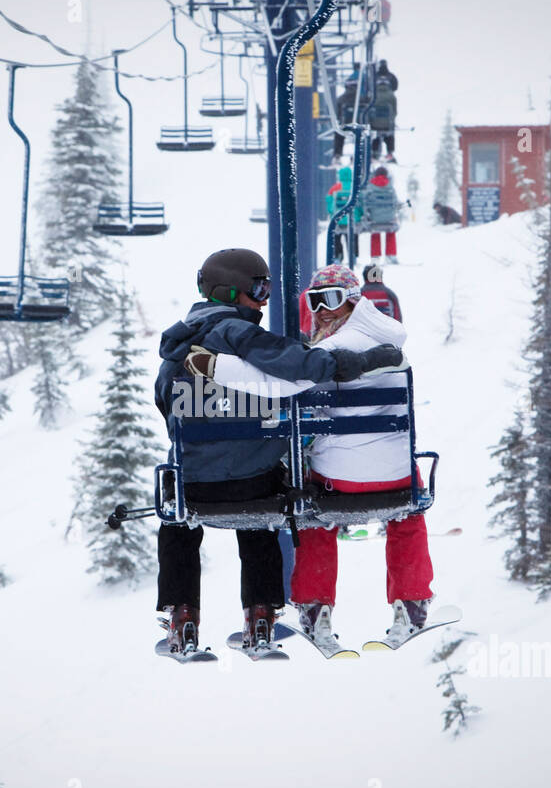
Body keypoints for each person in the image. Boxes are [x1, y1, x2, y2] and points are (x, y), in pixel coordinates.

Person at [154, 249, 405, 656]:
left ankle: (183, 616)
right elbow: (303, 364)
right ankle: (261, 616)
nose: (265, 299)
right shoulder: (244, 336)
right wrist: (363, 362)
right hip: (256, 485)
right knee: (261, 517)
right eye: (258, 289)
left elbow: (165, 402)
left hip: (195, 487)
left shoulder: (175, 350)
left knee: (178, 523)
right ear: (230, 291)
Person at [206, 264, 435, 640]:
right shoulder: (394, 346)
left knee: (312, 514)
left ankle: (315, 606)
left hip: (338, 484)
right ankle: (411, 602)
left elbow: (272, 385)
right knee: (408, 513)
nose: (323, 310)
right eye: (315, 301)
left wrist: (216, 366)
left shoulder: (324, 352)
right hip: (396, 478)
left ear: (352, 302)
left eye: (332, 299)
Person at [360, 165, 401, 263]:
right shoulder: (390, 187)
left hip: (375, 218)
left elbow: (365, 203)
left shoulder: (370, 187)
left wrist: (367, 215)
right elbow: (395, 203)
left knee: (375, 232)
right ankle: (390, 255)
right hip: (389, 218)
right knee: (391, 231)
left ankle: (375, 257)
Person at [325, 165, 362, 262]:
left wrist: (331, 213)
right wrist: (360, 216)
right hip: (352, 219)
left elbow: (329, 201)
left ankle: (338, 256)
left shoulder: (335, 188)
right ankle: (353, 256)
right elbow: (360, 203)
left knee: (336, 238)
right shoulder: (355, 187)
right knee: (352, 237)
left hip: (338, 220)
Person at [369, 72, 397, 162]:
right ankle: (390, 152)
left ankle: (374, 153)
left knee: (376, 136)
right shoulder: (392, 96)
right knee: (389, 135)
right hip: (387, 124)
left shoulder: (372, 96)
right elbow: (395, 111)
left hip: (374, 123)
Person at [332, 79, 360, 159]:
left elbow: (337, 114)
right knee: (361, 136)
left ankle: (337, 154)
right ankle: (358, 154)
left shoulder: (341, 99)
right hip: (359, 125)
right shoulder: (361, 99)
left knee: (338, 134)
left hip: (345, 125)